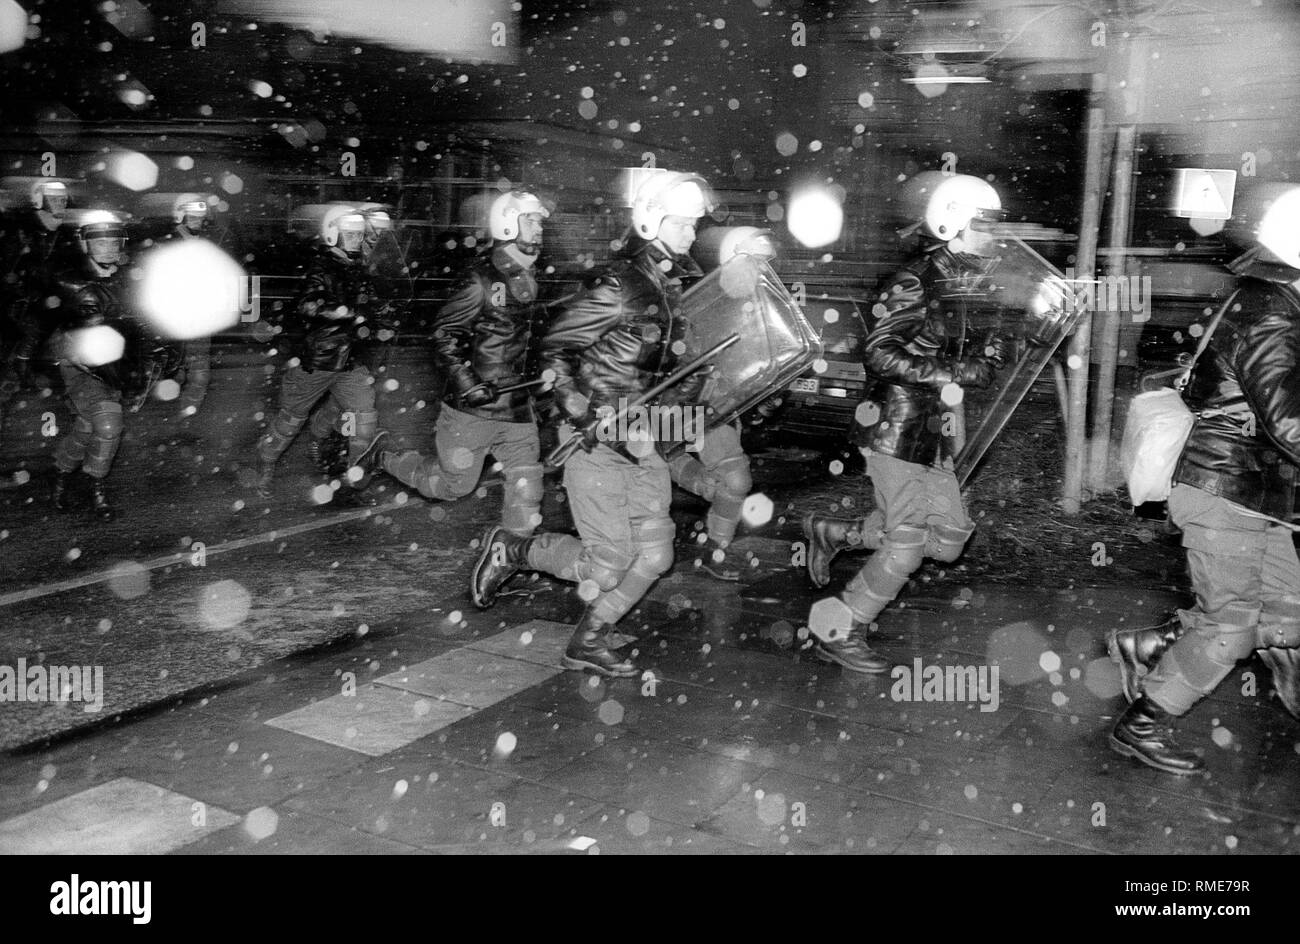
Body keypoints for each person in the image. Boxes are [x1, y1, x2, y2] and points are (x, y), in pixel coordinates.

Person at [470, 171, 713, 677]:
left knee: (655, 555)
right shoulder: (620, 284)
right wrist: (577, 406)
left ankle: (588, 640)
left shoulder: (675, 286)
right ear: (652, 222)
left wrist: (682, 417)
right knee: (608, 563)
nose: (693, 233)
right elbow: (554, 349)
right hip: (598, 441)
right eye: (683, 224)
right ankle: (516, 548)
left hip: (644, 440)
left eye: (695, 224)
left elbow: (677, 369)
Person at [1109, 183, 1300, 775]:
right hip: (1224, 489)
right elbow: (1287, 417)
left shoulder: (1277, 300)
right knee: (1231, 628)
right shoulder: (1269, 311)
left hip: (1258, 492)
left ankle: (1156, 645)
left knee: (1291, 612)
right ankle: (1141, 723)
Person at [804, 173, 1006, 673]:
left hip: (933, 433)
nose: (994, 234)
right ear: (952, 222)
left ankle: (839, 533)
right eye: (985, 224)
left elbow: (954, 348)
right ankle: (841, 627)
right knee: (908, 542)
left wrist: (988, 351)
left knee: (952, 538)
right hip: (894, 429)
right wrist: (957, 369)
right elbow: (879, 354)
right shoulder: (916, 280)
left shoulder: (966, 282)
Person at [362, 190, 551, 547]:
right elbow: (443, 334)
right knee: (452, 486)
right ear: (508, 223)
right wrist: (468, 383)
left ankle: (510, 557)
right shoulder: (481, 278)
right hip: (474, 409)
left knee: (527, 488)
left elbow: (533, 341)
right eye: (531, 219)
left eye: (540, 221)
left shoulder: (533, 277)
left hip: (518, 408)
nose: (539, 227)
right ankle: (384, 457)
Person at [254, 203, 388, 507]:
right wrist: (347, 313)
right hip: (318, 361)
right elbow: (307, 305)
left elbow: (368, 305)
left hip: (350, 362)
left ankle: (355, 478)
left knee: (364, 418)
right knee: (289, 422)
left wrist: (378, 312)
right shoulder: (321, 268)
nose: (356, 239)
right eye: (349, 234)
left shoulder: (358, 268)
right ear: (333, 235)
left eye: (358, 234)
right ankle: (265, 462)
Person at [667, 226, 777, 581]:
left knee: (735, 479)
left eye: (766, 263)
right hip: (683, 403)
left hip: (719, 407)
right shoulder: (696, 297)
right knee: (653, 466)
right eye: (756, 261)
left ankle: (717, 550)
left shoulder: (762, 304)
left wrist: (765, 399)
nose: (764, 270)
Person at [48, 209, 135, 521]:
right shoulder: (74, 284)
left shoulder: (125, 278)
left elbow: (136, 327)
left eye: (115, 241)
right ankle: (95, 484)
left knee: (88, 427)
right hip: (81, 364)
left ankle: (61, 472)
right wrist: (125, 381)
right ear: (85, 245)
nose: (109, 247)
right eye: (100, 242)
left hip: (113, 363)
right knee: (109, 424)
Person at [131, 194, 214, 418]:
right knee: (164, 370)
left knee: (199, 374)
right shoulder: (165, 244)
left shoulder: (208, 244)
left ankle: (186, 417)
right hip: (170, 321)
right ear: (181, 216)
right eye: (193, 216)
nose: (198, 220)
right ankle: (146, 414)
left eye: (201, 217)